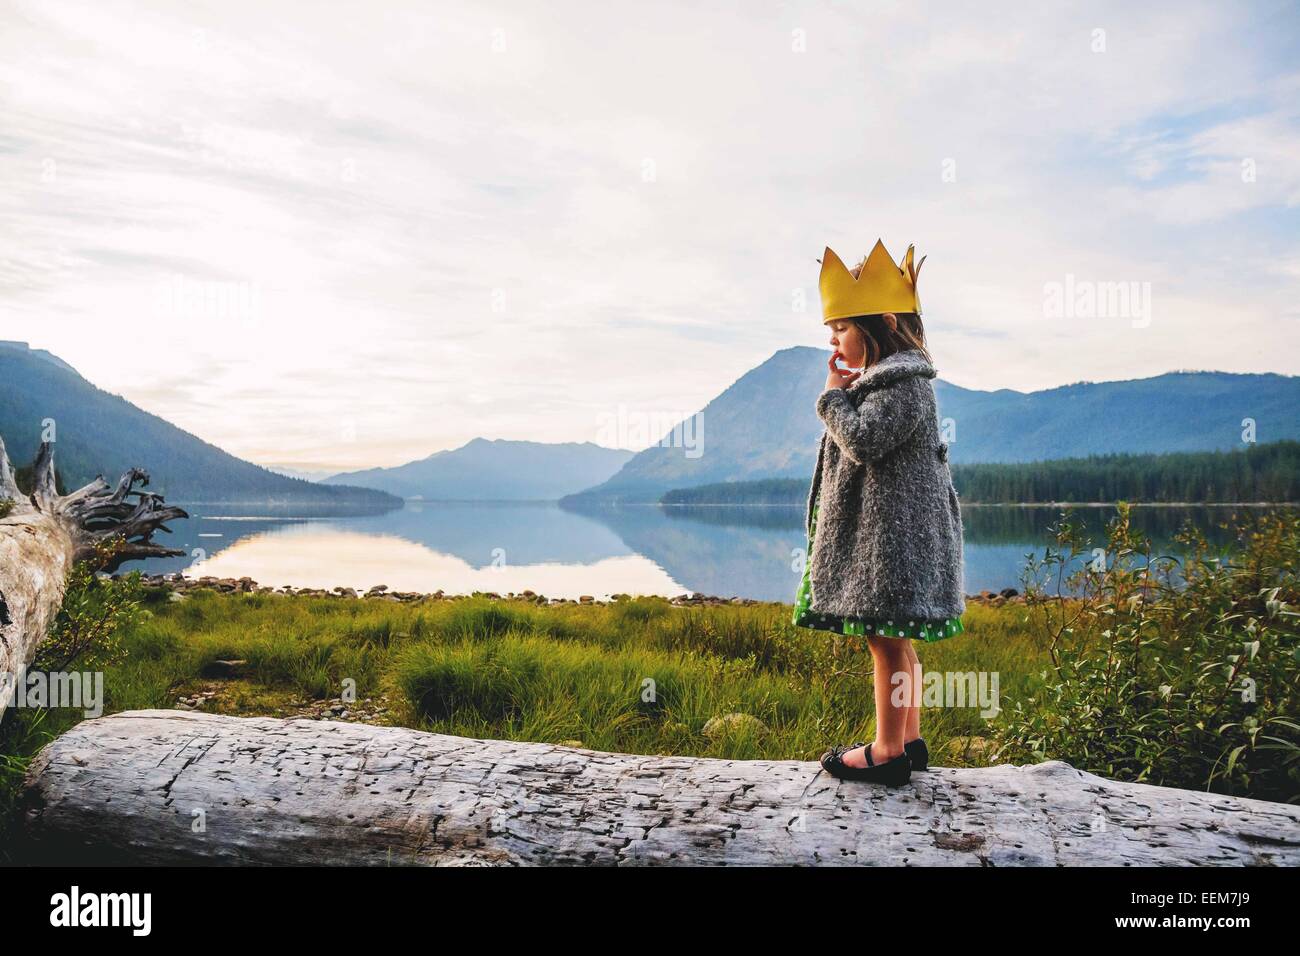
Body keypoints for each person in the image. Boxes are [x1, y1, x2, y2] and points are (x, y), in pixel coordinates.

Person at [791, 240, 967, 786]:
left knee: (885, 643)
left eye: (841, 327)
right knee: (896, 642)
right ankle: (908, 739)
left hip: (888, 545)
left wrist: (831, 399)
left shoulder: (903, 385)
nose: (834, 340)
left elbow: (863, 442)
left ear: (883, 321)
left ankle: (888, 750)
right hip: (888, 540)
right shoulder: (893, 383)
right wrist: (847, 393)